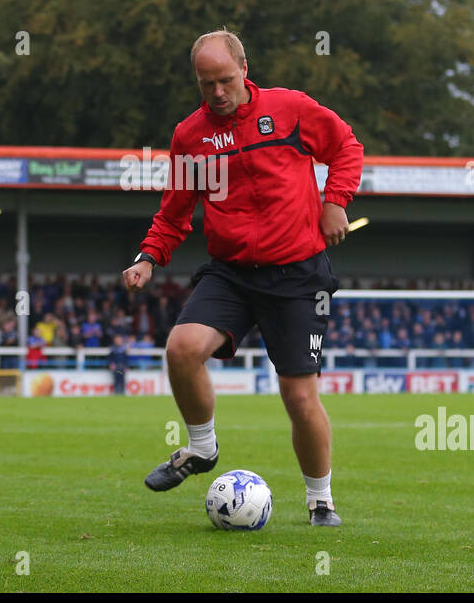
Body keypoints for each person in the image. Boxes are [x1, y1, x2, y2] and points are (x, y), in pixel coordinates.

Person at [123, 28, 364, 527]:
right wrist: (149, 256)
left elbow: (347, 147)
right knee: (182, 348)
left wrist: (335, 201)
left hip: (298, 275)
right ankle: (202, 450)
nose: (217, 92)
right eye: (205, 83)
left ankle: (321, 501)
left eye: (225, 80)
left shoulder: (291, 109)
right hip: (231, 274)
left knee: (299, 396)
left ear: (244, 70)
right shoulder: (190, 135)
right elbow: (175, 211)